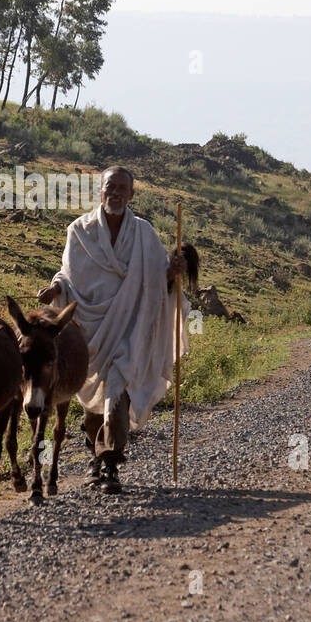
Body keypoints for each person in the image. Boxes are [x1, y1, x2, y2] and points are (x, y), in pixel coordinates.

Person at [36, 166, 189, 494]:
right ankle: (97, 455)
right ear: (100, 191)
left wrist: (172, 271)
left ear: (132, 194)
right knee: (94, 400)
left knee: (117, 390)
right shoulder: (79, 231)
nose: (116, 193)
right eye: (110, 187)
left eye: (122, 188)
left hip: (130, 328)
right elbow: (68, 277)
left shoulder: (144, 235)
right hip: (90, 331)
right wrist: (54, 289)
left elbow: (156, 279)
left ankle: (109, 462)